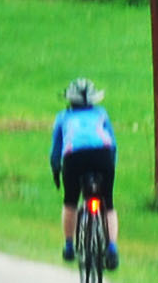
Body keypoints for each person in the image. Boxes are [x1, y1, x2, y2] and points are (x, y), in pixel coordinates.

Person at [50, 77, 120, 266]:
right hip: (102, 155)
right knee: (108, 204)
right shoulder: (101, 113)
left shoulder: (63, 117)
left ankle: (69, 245)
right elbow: (112, 144)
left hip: (74, 157)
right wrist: (111, 166)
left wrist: (56, 171)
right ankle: (112, 248)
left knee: (71, 202)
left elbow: (56, 151)